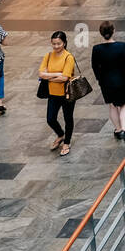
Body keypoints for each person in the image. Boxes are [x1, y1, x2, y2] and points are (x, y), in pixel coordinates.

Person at [90, 21, 125, 147]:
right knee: (124, 105)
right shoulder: (121, 46)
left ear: (101, 33)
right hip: (121, 80)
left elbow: (94, 66)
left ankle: (118, 129)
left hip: (106, 82)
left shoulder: (96, 49)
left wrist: (99, 79)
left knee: (112, 106)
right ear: (113, 31)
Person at [39, 30, 77, 158]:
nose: (56, 46)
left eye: (59, 44)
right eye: (53, 44)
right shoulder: (48, 56)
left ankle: (67, 142)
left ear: (64, 43)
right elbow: (40, 74)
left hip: (67, 94)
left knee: (68, 118)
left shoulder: (69, 57)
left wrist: (48, 77)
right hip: (52, 93)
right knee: (50, 119)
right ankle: (61, 134)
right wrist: (56, 74)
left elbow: (65, 78)